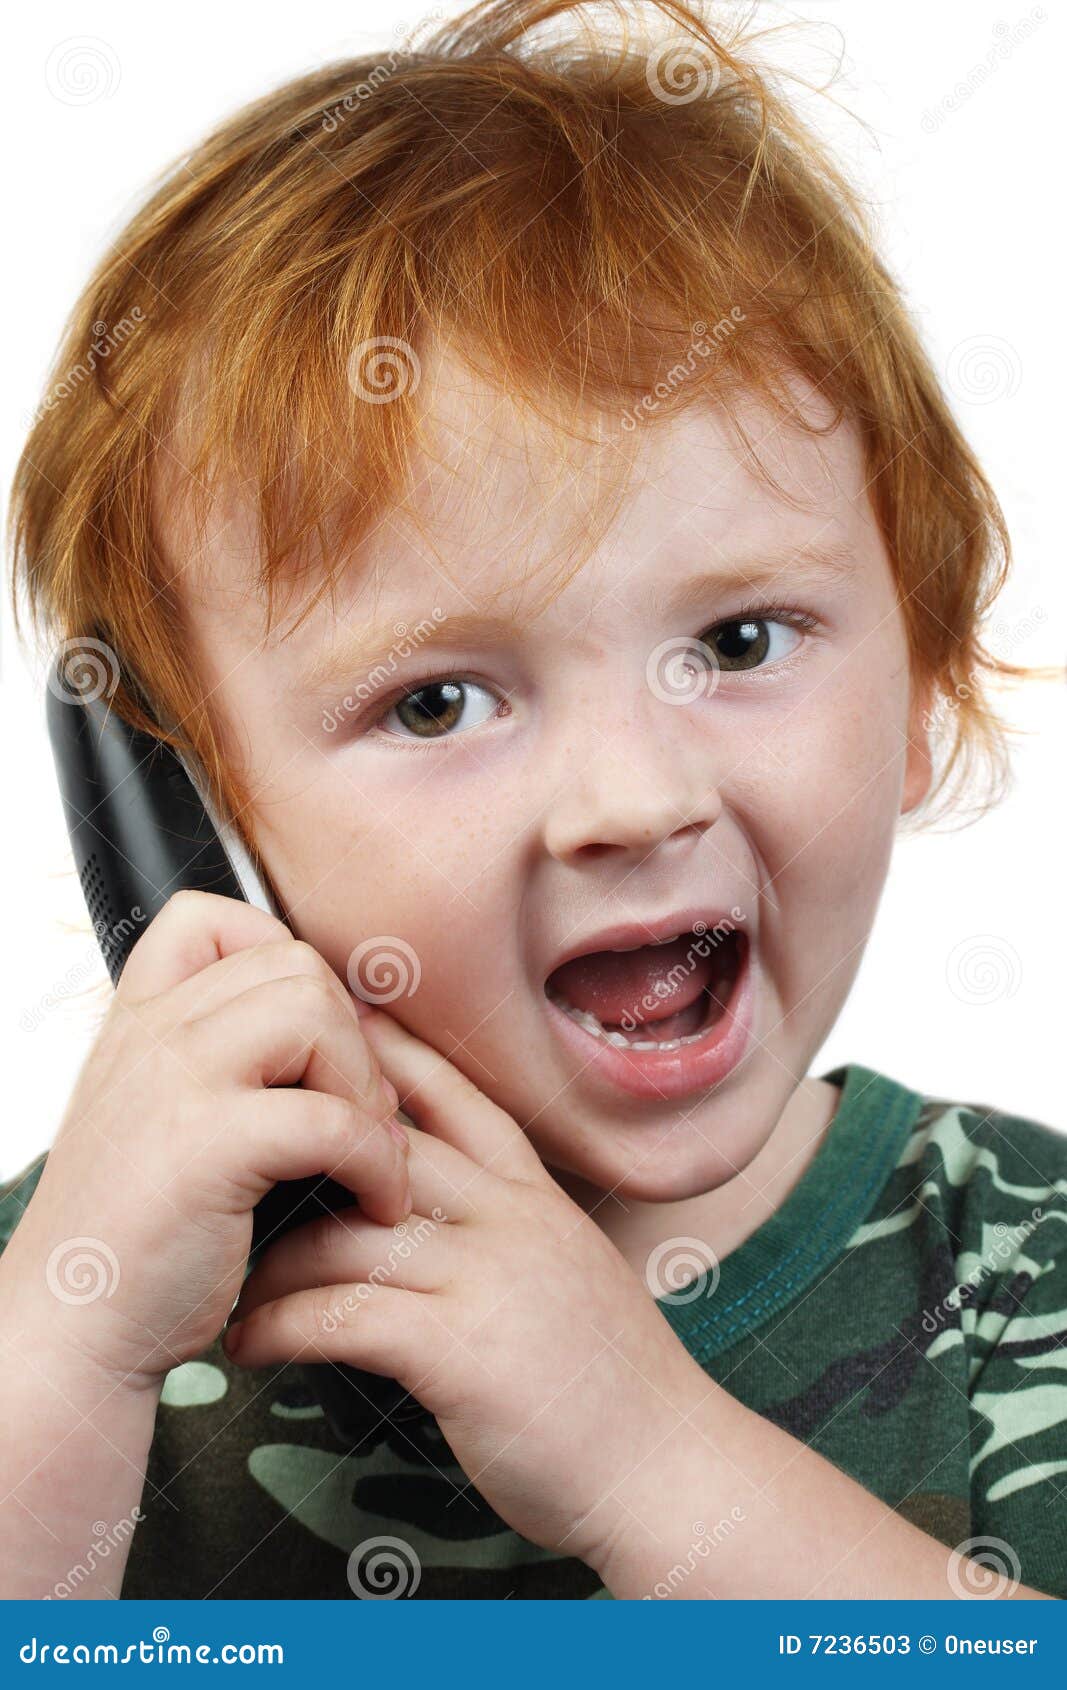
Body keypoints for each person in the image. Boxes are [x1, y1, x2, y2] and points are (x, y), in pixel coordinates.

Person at [2, 0, 1063, 1600]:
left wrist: (656, 1462)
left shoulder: (1023, 1275)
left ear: (924, 682)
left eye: (739, 641)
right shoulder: (69, 1287)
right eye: (436, 701)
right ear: (191, 821)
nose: (632, 799)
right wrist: (64, 1365)